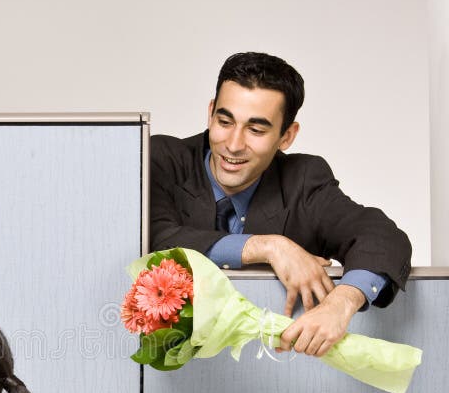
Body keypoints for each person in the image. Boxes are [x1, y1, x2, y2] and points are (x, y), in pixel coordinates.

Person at [150, 52, 412, 357]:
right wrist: (270, 247)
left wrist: (341, 303)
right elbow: (153, 238)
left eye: (256, 130)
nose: (233, 144)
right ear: (210, 113)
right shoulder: (161, 159)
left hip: (277, 372)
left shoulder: (304, 180)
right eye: (224, 121)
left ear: (287, 136)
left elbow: (382, 238)